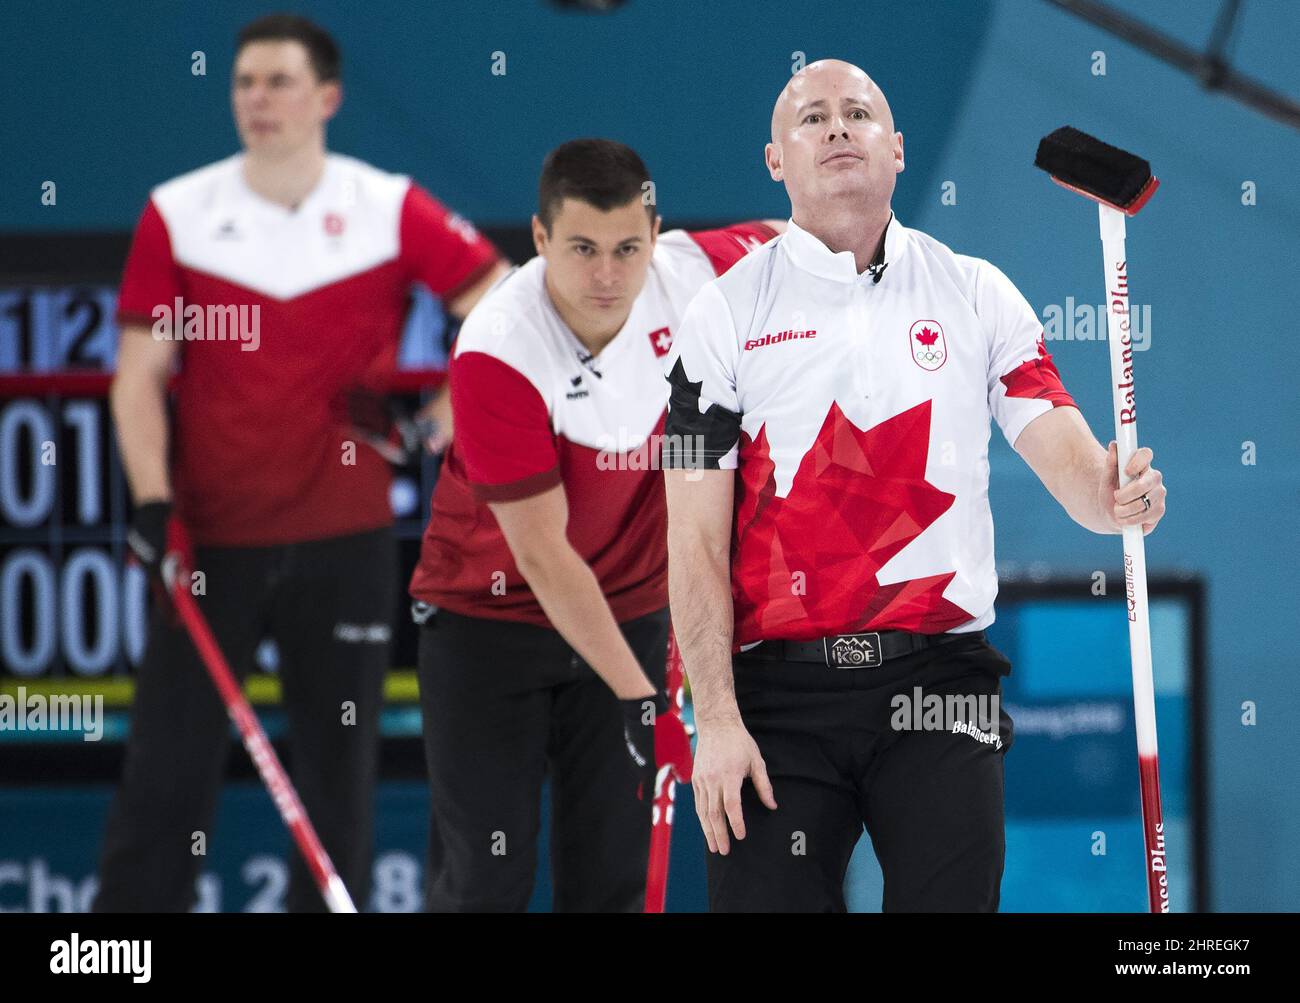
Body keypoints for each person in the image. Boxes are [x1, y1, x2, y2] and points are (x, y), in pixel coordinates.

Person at [663, 59, 1168, 912]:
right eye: (811, 117)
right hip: (778, 698)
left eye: (857, 113)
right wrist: (715, 719)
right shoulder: (720, 315)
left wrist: (1117, 490)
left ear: (897, 150)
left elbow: (1080, 476)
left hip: (936, 682)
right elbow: (694, 539)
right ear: (775, 160)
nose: (836, 128)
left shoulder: (977, 295)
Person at [94, 13, 509, 913]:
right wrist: (153, 501)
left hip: (345, 540)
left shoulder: (384, 203)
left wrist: (445, 407)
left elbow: (502, 298)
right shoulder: (179, 211)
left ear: (327, 97)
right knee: (166, 772)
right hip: (206, 539)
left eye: (278, 82)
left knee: (336, 780)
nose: (257, 99)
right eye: (244, 82)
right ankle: (111, 957)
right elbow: (137, 379)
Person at [407, 138, 784, 911]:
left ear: (656, 235)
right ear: (541, 239)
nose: (608, 275)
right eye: (582, 248)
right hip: (487, 625)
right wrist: (644, 701)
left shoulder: (695, 276)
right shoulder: (497, 348)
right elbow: (545, 560)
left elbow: (804, 239)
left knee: (609, 881)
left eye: (626, 248)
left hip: (634, 614)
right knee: (485, 879)